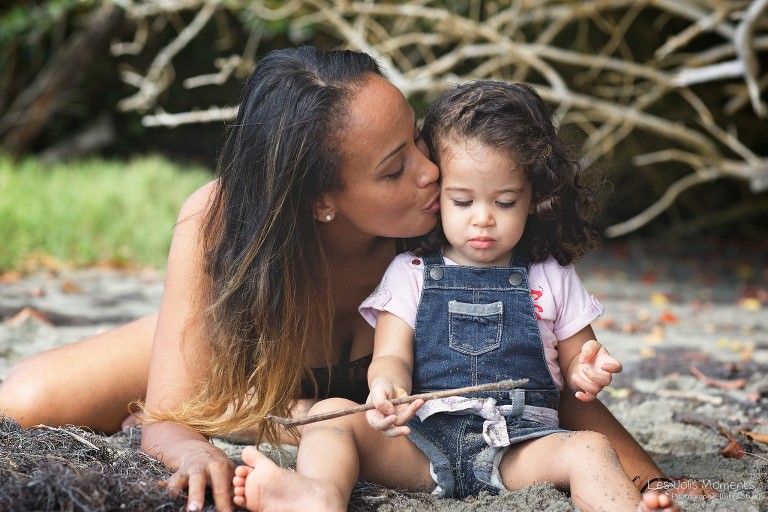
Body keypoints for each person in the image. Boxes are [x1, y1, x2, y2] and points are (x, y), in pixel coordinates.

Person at [0, 47, 707, 512]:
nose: (431, 174)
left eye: (417, 142)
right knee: (25, 401)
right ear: (322, 200)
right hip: (251, 369)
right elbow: (173, 415)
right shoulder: (223, 224)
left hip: (375, 408)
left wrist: (644, 478)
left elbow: (535, 360)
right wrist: (190, 447)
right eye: (395, 168)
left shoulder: (447, 218)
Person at [229, 80, 679, 512]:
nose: (482, 219)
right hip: (424, 447)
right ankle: (317, 495)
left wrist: (587, 370)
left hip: (523, 448)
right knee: (331, 415)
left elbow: (577, 358)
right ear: (439, 194)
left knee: (589, 448)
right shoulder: (411, 273)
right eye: (462, 201)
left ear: (534, 199)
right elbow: (390, 356)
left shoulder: (552, 275)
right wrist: (387, 388)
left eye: (504, 203)